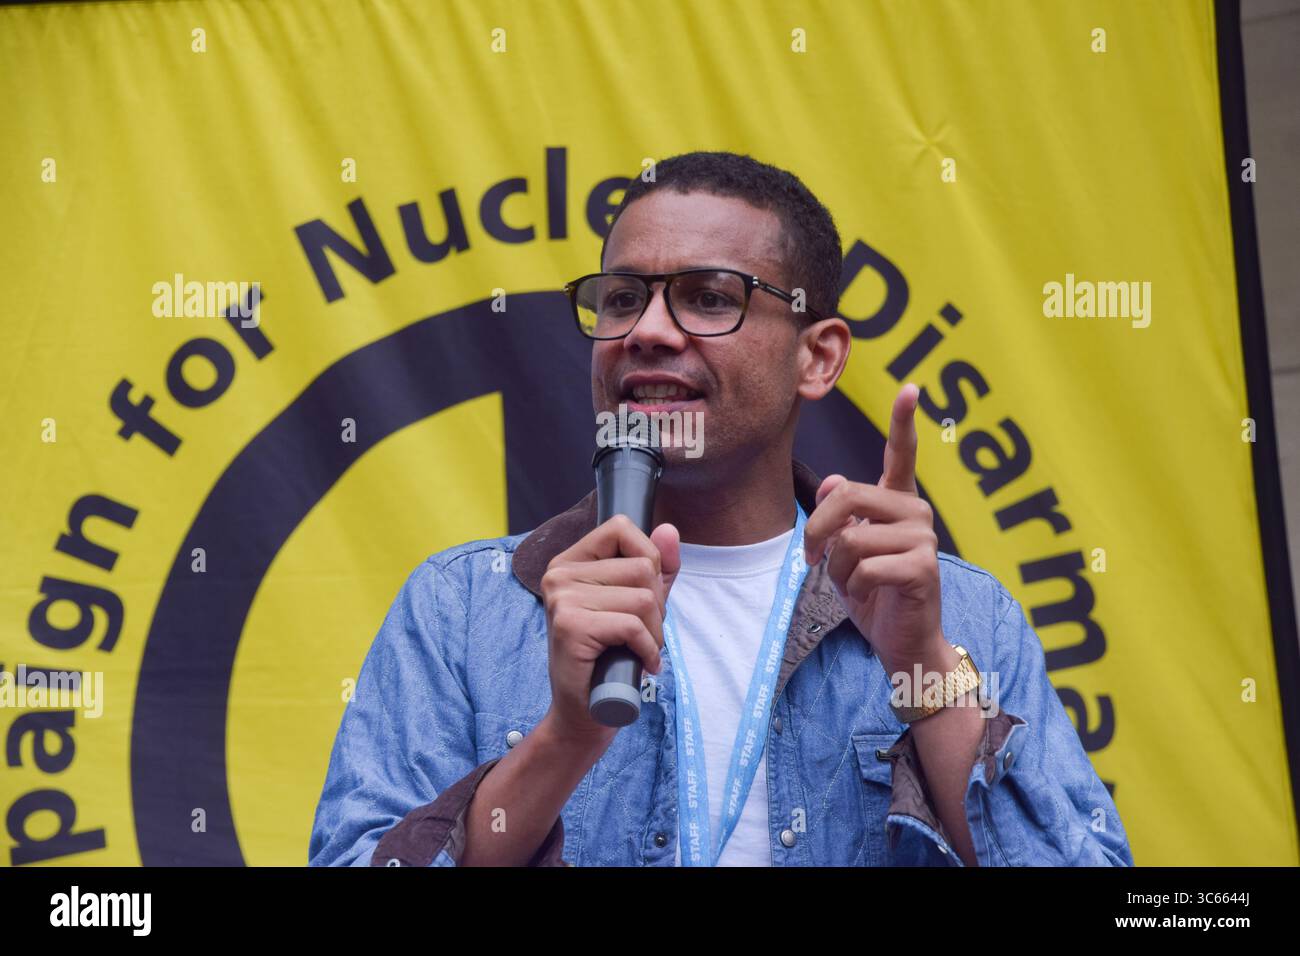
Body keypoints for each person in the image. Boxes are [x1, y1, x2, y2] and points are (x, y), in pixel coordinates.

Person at [308, 151, 1133, 867]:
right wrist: (565, 738)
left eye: (707, 298)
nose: (648, 332)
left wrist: (919, 662)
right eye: (622, 299)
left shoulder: (961, 615)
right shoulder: (462, 608)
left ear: (818, 356)